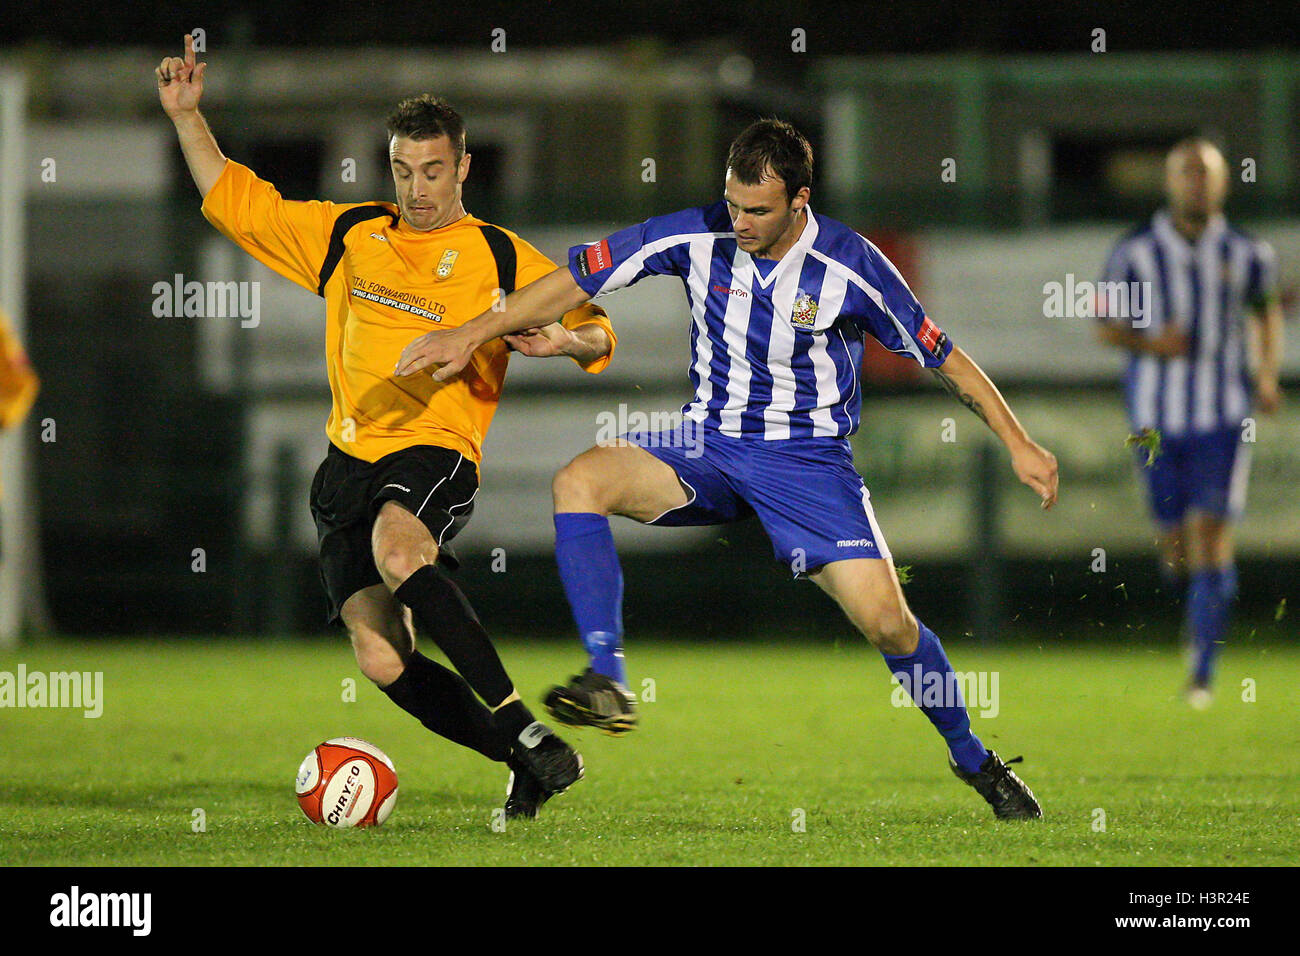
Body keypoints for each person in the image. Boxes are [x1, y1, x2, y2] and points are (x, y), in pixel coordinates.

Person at [397, 119, 1060, 820]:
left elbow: (945, 358)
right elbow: (575, 279)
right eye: (733, 204)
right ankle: (608, 677)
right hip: (708, 444)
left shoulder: (850, 264)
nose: (738, 222)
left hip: (808, 465)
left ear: (800, 200)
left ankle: (973, 760)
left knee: (890, 626)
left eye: (757, 211)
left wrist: (1018, 442)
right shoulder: (696, 232)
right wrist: (478, 332)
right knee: (579, 481)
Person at [157, 35, 618, 817]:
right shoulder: (350, 235)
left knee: (401, 548)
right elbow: (237, 200)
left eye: (433, 170)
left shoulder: (502, 258)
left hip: (436, 448)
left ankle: (519, 724)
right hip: (346, 464)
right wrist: (187, 117)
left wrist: (567, 340)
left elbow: (600, 328)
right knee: (378, 654)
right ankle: (520, 758)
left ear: (464, 166)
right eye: (404, 170)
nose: (417, 188)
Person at [1096, 137, 1283, 709]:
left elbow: (1266, 313)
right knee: (1174, 546)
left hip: (1223, 416)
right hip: (1152, 423)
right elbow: (1105, 326)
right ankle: (1196, 613)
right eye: (1186, 173)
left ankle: (1202, 673)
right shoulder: (1134, 251)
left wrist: (1267, 374)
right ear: (1170, 182)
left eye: (1206, 173)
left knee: (1210, 534)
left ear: (1223, 183)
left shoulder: (1250, 252)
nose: (1196, 182)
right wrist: (1154, 343)